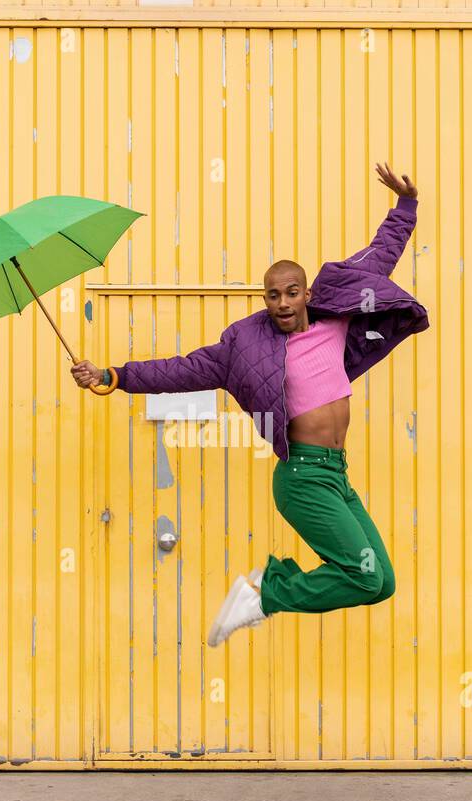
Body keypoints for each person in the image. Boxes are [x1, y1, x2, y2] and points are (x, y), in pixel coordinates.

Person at [71, 161, 428, 647]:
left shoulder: (336, 317)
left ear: (307, 294)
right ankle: (264, 594)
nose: (281, 303)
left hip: (335, 474)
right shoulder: (247, 345)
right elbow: (184, 368)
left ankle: (267, 588)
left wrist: (405, 207)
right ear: (265, 298)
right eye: (272, 295)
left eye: (291, 293)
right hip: (302, 478)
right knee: (362, 577)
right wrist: (114, 375)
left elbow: (379, 258)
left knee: (379, 581)